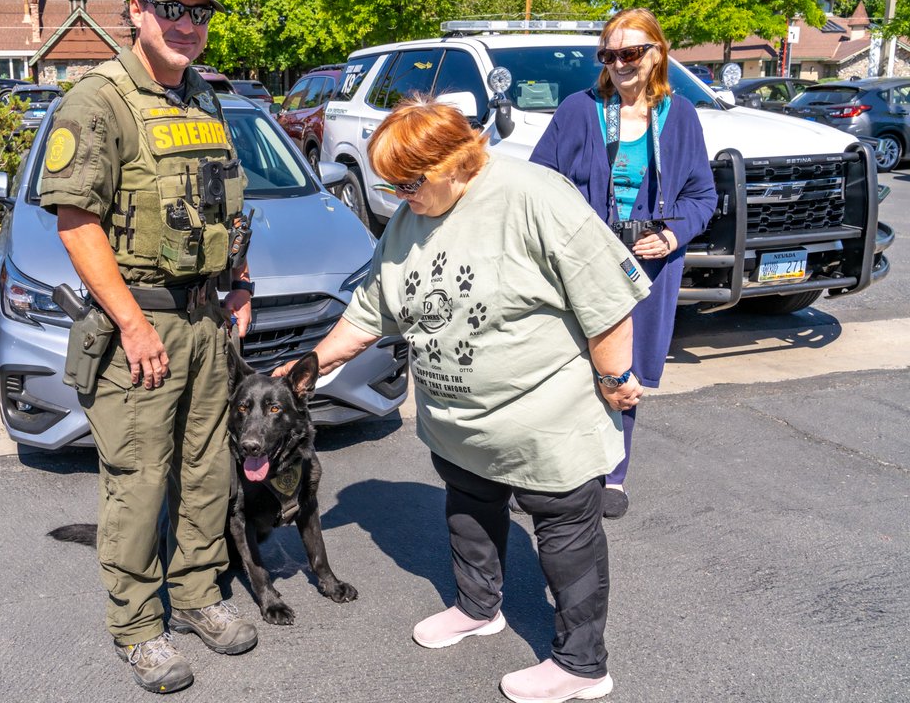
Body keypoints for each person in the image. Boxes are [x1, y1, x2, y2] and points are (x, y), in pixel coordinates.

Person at [278, 96, 651, 703]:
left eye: (409, 182)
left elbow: (608, 299)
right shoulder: (410, 217)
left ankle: (583, 666)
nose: (399, 196)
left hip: (545, 423)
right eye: (389, 184)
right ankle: (480, 609)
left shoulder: (535, 195)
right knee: (469, 515)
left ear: (458, 160)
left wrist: (613, 381)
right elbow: (372, 311)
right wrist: (311, 363)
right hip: (459, 425)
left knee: (566, 543)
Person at [38, 0, 258, 694]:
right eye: (172, 9)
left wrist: (240, 286)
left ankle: (198, 595)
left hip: (206, 325)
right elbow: (76, 223)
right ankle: (137, 626)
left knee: (207, 470)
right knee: (138, 482)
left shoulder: (205, 98)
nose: (188, 26)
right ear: (135, 11)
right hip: (145, 328)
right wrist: (131, 324)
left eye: (200, 13)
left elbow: (223, 206)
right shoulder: (97, 100)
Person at [530, 8, 717, 520]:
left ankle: (614, 474)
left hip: (649, 266)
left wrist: (674, 232)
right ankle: (555, 472)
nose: (619, 63)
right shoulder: (578, 109)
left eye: (630, 52)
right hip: (583, 262)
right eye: (609, 54)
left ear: (657, 53)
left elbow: (703, 193)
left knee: (625, 372)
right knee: (568, 363)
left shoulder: (678, 115)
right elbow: (540, 181)